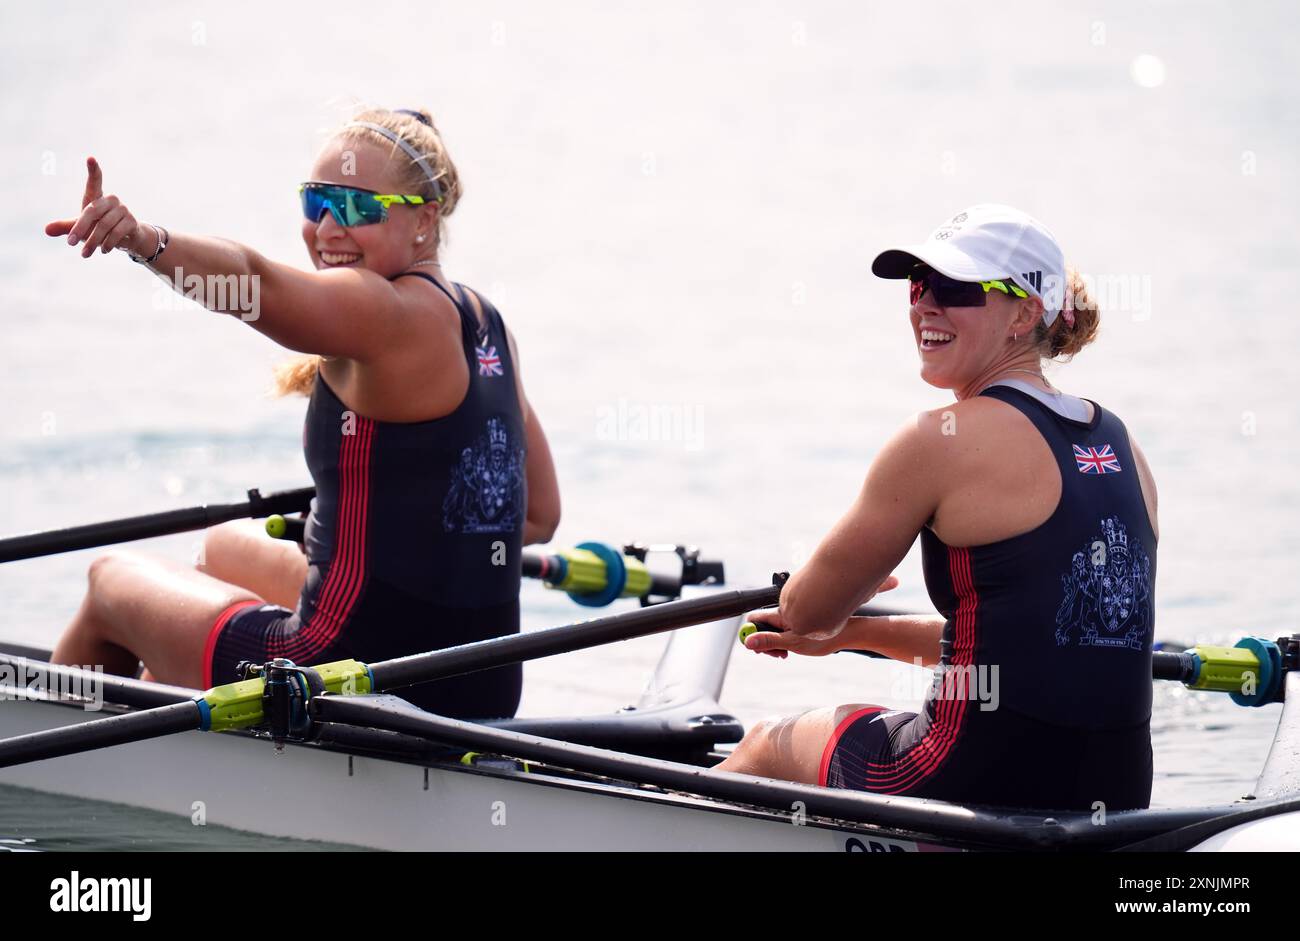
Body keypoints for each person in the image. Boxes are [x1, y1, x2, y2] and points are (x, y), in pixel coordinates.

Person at [46, 108, 562, 719]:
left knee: (109, 582)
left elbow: (254, 283)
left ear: (425, 220)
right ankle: (186, 743)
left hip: (347, 672)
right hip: (480, 684)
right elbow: (536, 515)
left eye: (359, 207)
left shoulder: (381, 308)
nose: (327, 227)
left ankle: (59, 769)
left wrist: (145, 243)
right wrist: (382, 527)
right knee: (219, 552)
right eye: (316, 200)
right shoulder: (484, 320)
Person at [715, 205, 1158, 811]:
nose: (924, 305)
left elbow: (803, 610)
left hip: (967, 777)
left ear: (1026, 312)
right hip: (1116, 793)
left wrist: (822, 606)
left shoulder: (937, 438)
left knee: (768, 743)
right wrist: (853, 634)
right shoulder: (1123, 445)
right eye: (918, 285)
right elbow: (1027, 644)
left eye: (953, 288)